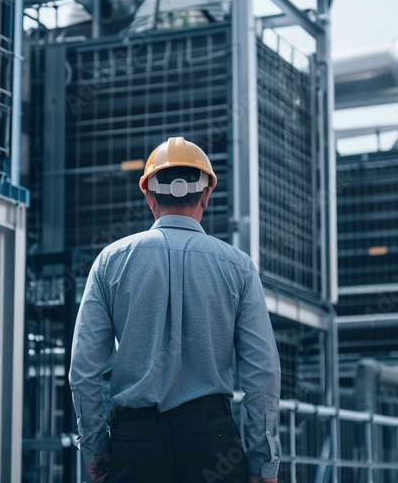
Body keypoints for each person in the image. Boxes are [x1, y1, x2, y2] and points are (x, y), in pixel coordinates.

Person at [68, 137, 281, 483]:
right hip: (212, 442)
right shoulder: (239, 267)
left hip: (134, 444)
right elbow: (262, 374)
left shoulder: (110, 262)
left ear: (149, 196)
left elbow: (84, 370)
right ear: (206, 195)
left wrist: (94, 445)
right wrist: (263, 461)